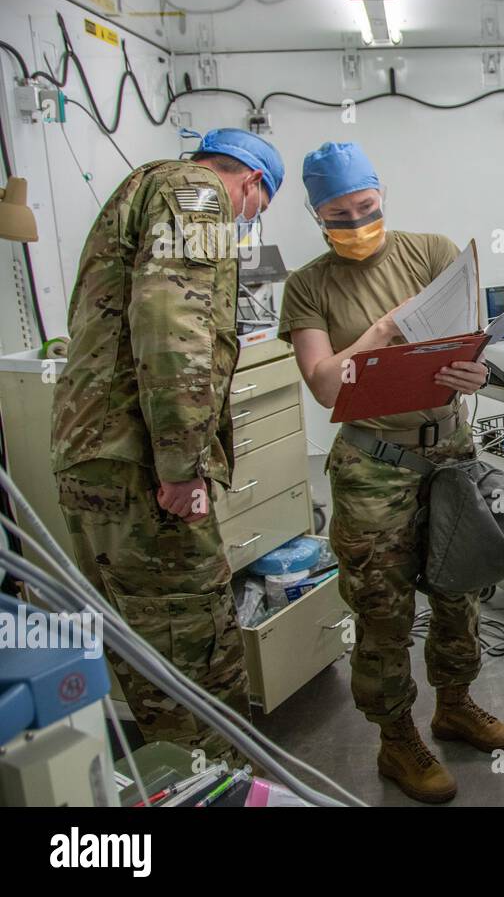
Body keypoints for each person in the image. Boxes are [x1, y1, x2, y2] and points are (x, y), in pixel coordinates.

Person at [278, 142, 504, 804]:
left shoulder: (434, 253)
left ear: (381, 194)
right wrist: (383, 328)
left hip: (450, 451)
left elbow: (467, 345)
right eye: (338, 213)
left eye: (365, 206)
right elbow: (328, 385)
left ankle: (456, 704)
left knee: (459, 591)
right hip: (373, 467)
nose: (356, 222)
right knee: (383, 610)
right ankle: (396, 739)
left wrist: (476, 371)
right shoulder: (309, 285)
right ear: (316, 214)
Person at [51, 127, 284, 765]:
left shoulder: (139, 188)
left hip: (99, 457)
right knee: (194, 652)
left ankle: (173, 772)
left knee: (145, 641)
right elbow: (171, 323)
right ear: (251, 184)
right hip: (139, 467)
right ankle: (213, 781)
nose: (247, 223)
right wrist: (181, 466)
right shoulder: (199, 192)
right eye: (255, 213)